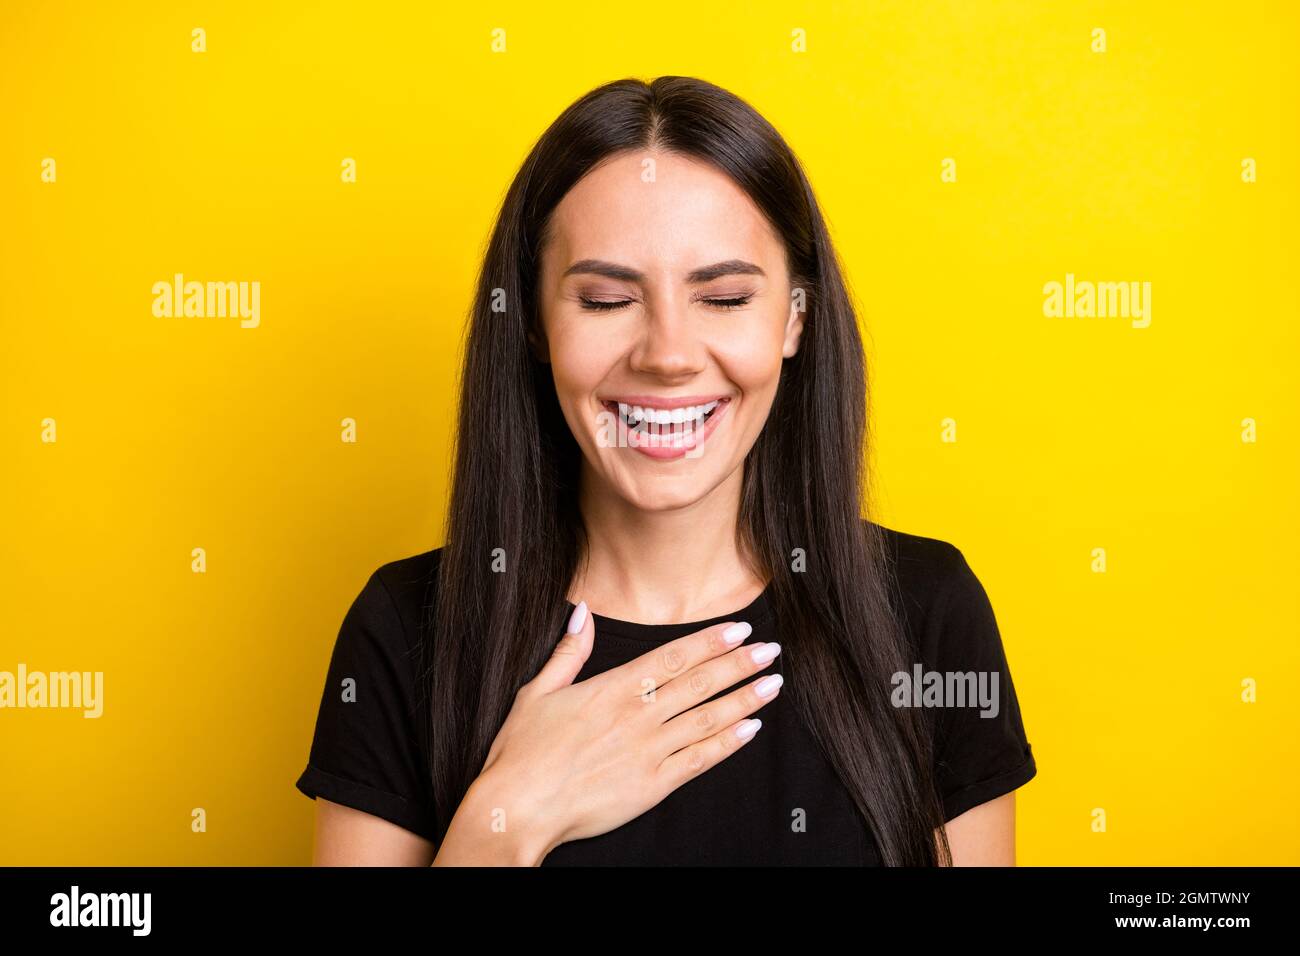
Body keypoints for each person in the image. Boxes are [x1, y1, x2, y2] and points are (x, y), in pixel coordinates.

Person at [296, 75, 1037, 866]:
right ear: (535, 324)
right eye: (607, 300)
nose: (669, 356)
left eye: (723, 298)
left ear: (794, 317)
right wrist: (508, 815)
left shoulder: (927, 614)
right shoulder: (405, 631)